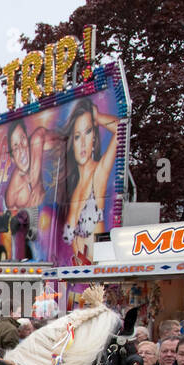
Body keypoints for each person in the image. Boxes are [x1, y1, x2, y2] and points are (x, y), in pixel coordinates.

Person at [56, 99, 119, 265]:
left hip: (98, 277)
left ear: (94, 138)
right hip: (76, 280)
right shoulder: (71, 188)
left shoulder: (99, 173)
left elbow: (121, 129)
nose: (83, 142)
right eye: (77, 136)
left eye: (88, 132)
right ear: (72, 143)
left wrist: (97, 117)